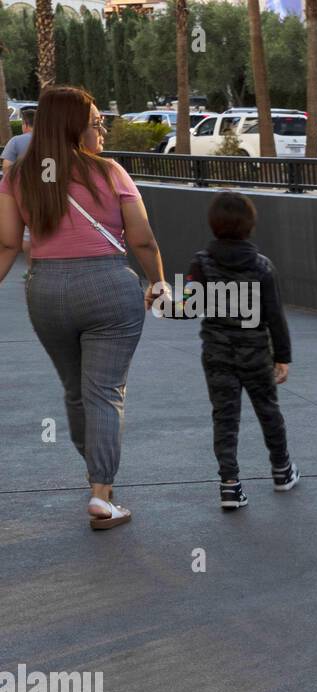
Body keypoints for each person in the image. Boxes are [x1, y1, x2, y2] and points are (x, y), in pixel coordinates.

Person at [0, 86, 167, 529]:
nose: (101, 128)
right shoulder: (110, 172)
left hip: (46, 290)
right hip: (110, 286)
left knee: (76, 391)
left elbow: (6, 244)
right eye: (95, 121)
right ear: (76, 126)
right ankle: (100, 492)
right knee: (105, 393)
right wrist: (159, 280)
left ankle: (99, 479)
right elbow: (142, 238)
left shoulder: (16, 177)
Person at [183, 191, 299, 509]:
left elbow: (190, 305)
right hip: (255, 352)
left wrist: (162, 300)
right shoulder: (262, 266)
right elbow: (275, 315)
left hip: (217, 354)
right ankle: (282, 471)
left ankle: (230, 485)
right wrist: (282, 357)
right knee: (268, 411)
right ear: (250, 225)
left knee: (225, 417)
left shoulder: (201, 262)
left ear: (213, 224)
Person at [3, 107, 37, 255]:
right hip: (46, 192)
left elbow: (7, 169)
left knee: (26, 235)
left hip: (22, 192)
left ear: (25, 124)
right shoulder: (50, 141)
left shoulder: (15, 141)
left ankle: (31, 270)